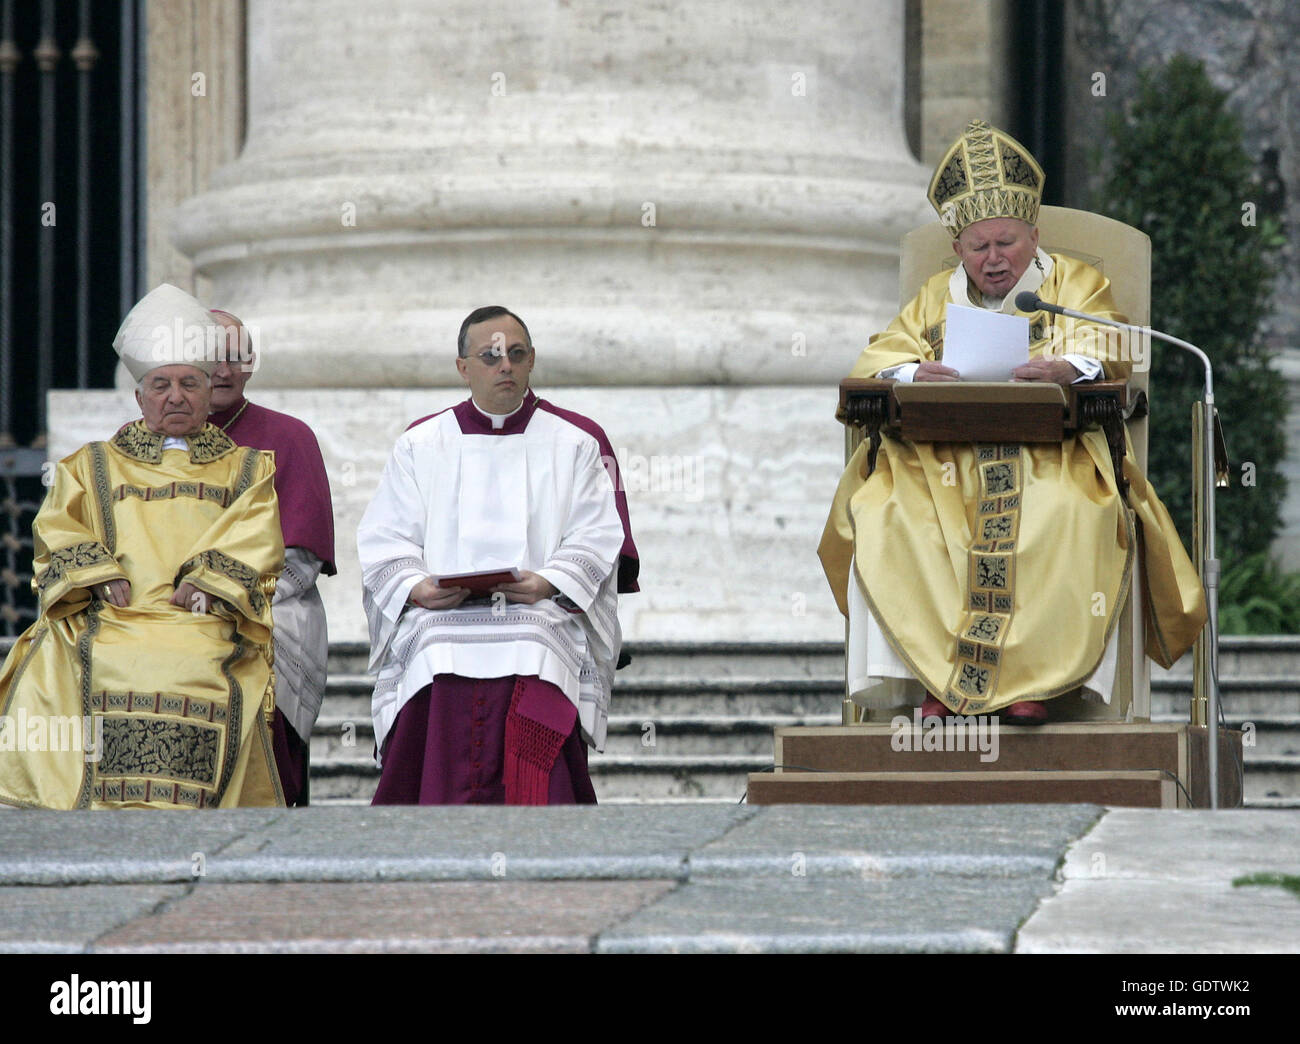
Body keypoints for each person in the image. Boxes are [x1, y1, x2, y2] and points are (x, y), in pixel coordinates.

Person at [819, 119, 1206, 725]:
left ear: (1034, 233)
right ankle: (937, 682)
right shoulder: (934, 296)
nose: (994, 260)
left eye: (1007, 243)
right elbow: (879, 357)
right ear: (957, 249)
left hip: (1054, 453)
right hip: (939, 458)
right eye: (979, 247)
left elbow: (1110, 346)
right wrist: (912, 374)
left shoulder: (1074, 283)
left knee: (1071, 515)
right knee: (887, 514)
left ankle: (1036, 684)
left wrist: (1066, 368)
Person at [0, 284, 285, 809]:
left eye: (188, 383)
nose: (175, 396)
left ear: (207, 394)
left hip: (198, 616)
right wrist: (96, 574)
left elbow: (256, 534)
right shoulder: (90, 463)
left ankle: (191, 811)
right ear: (139, 396)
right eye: (161, 384)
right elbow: (59, 527)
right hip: (112, 614)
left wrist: (206, 584)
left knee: (196, 663)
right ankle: (94, 806)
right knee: (78, 653)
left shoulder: (247, 467)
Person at [357, 305, 638, 804]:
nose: (504, 365)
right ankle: (431, 806)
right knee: (430, 644)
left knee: (535, 640)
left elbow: (596, 534)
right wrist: (417, 587)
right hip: (441, 618)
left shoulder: (574, 443)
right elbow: (385, 536)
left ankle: (538, 810)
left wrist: (548, 582)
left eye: (516, 354)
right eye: (489, 356)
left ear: (532, 363)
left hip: (536, 612)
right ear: (463, 367)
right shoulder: (421, 444)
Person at [208, 309, 336, 806]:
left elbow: (299, 561)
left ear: (252, 364)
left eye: (236, 357)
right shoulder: (149, 441)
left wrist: (220, 598)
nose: (224, 370)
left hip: (264, 607)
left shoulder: (289, 437)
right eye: (213, 356)